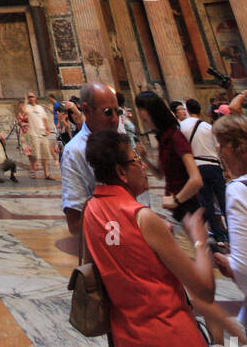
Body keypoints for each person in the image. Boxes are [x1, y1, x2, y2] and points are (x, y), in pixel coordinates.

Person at [83, 130, 220, 347]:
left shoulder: (91, 210)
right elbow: (204, 289)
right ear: (121, 172)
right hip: (172, 345)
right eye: (136, 159)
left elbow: (103, 265)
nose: (143, 166)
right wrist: (199, 239)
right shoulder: (144, 218)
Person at [60, 82, 121, 235]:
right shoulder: (75, 151)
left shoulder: (121, 140)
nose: (115, 119)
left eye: (118, 112)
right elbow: (75, 221)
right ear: (86, 110)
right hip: (108, 238)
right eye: (107, 112)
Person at [135, 90, 202, 226]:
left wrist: (176, 200)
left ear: (154, 114)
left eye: (145, 120)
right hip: (175, 210)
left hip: (188, 208)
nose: (145, 124)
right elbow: (160, 174)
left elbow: (196, 180)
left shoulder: (175, 137)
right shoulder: (163, 138)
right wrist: (144, 157)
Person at [212, 114, 247, 326]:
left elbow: (243, 267)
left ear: (237, 147)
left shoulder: (238, 191)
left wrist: (228, 263)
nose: (219, 151)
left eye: (222, 145)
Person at [179, 98, 228, 249]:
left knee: (207, 203)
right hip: (214, 166)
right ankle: (232, 233)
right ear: (200, 111)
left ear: (187, 110)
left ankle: (218, 235)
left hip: (197, 167)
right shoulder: (208, 126)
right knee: (224, 201)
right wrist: (225, 168)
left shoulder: (181, 126)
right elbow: (218, 149)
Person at [25, 91, 55, 180]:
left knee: (45, 154)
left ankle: (46, 174)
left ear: (36, 98)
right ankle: (33, 171)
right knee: (35, 154)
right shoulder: (27, 107)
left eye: (32, 96)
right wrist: (25, 101)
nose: (31, 98)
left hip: (42, 133)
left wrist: (47, 128)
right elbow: (23, 111)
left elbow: (44, 119)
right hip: (33, 133)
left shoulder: (40, 108)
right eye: (29, 97)